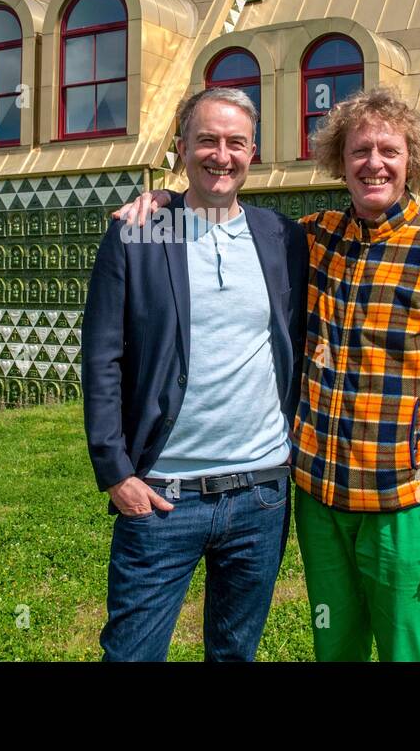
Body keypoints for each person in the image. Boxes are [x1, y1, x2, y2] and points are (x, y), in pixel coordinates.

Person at [115, 86, 420, 661]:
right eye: (359, 151)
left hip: (406, 496)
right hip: (319, 495)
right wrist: (165, 199)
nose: (374, 164)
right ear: (339, 161)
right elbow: (221, 203)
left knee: (409, 650)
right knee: (334, 648)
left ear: (412, 161)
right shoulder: (311, 237)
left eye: (389, 152)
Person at [82, 86, 308, 662]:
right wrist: (115, 471)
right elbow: (102, 358)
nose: (221, 154)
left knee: (234, 654)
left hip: (260, 492)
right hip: (161, 495)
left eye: (236, 142)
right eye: (207, 140)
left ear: (253, 152)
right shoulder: (138, 232)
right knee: (131, 654)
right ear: (181, 148)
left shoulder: (284, 238)